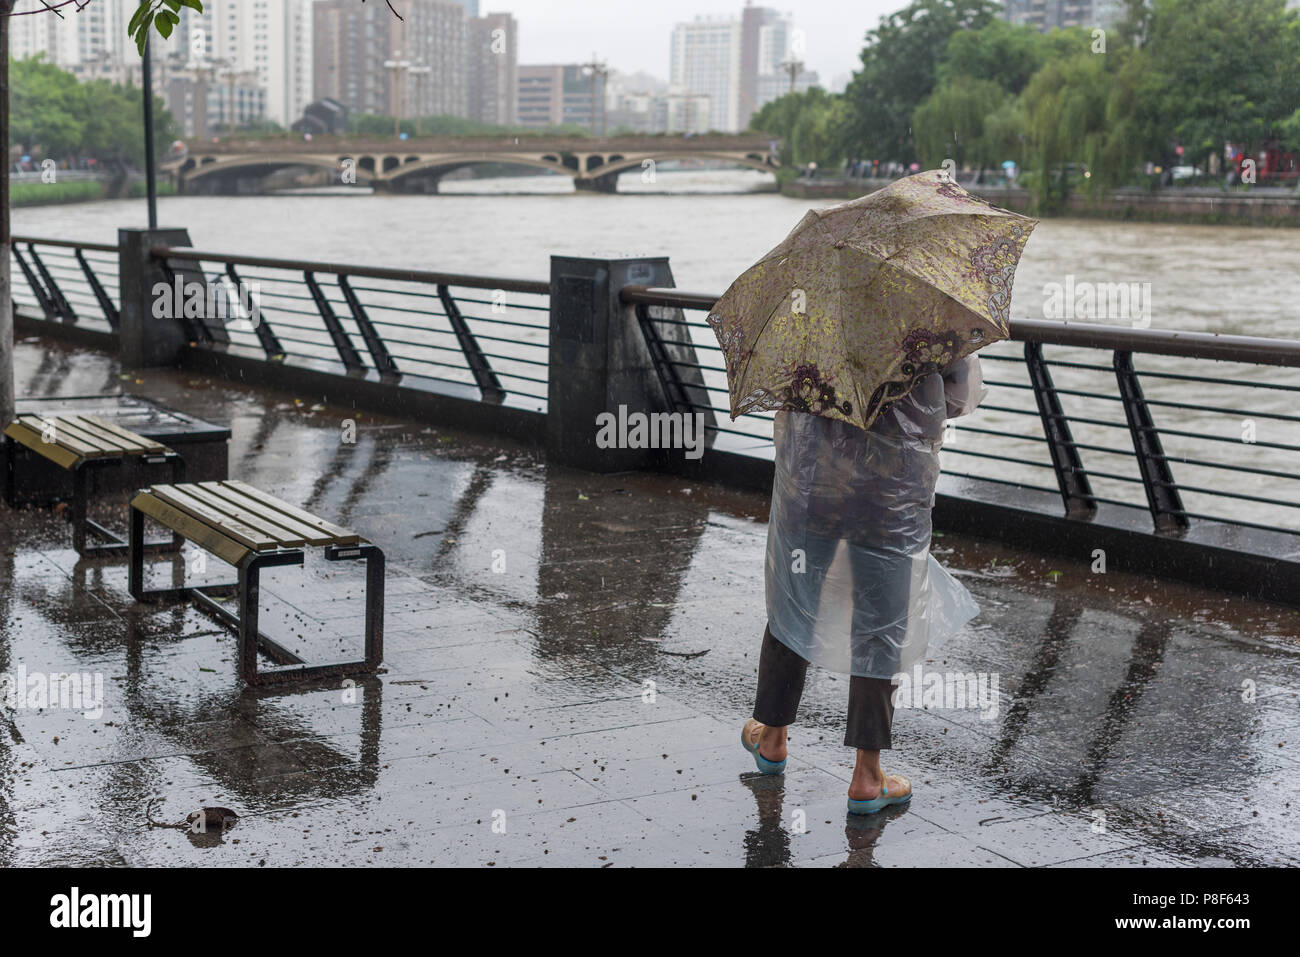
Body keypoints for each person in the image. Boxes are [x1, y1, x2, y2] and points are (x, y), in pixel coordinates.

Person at [742, 353, 986, 814]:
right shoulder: (928, 314)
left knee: (796, 604)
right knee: (881, 626)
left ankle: (771, 738)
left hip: (814, 486)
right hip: (889, 496)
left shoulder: (808, 310)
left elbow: (777, 380)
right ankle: (867, 776)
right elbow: (957, 396)